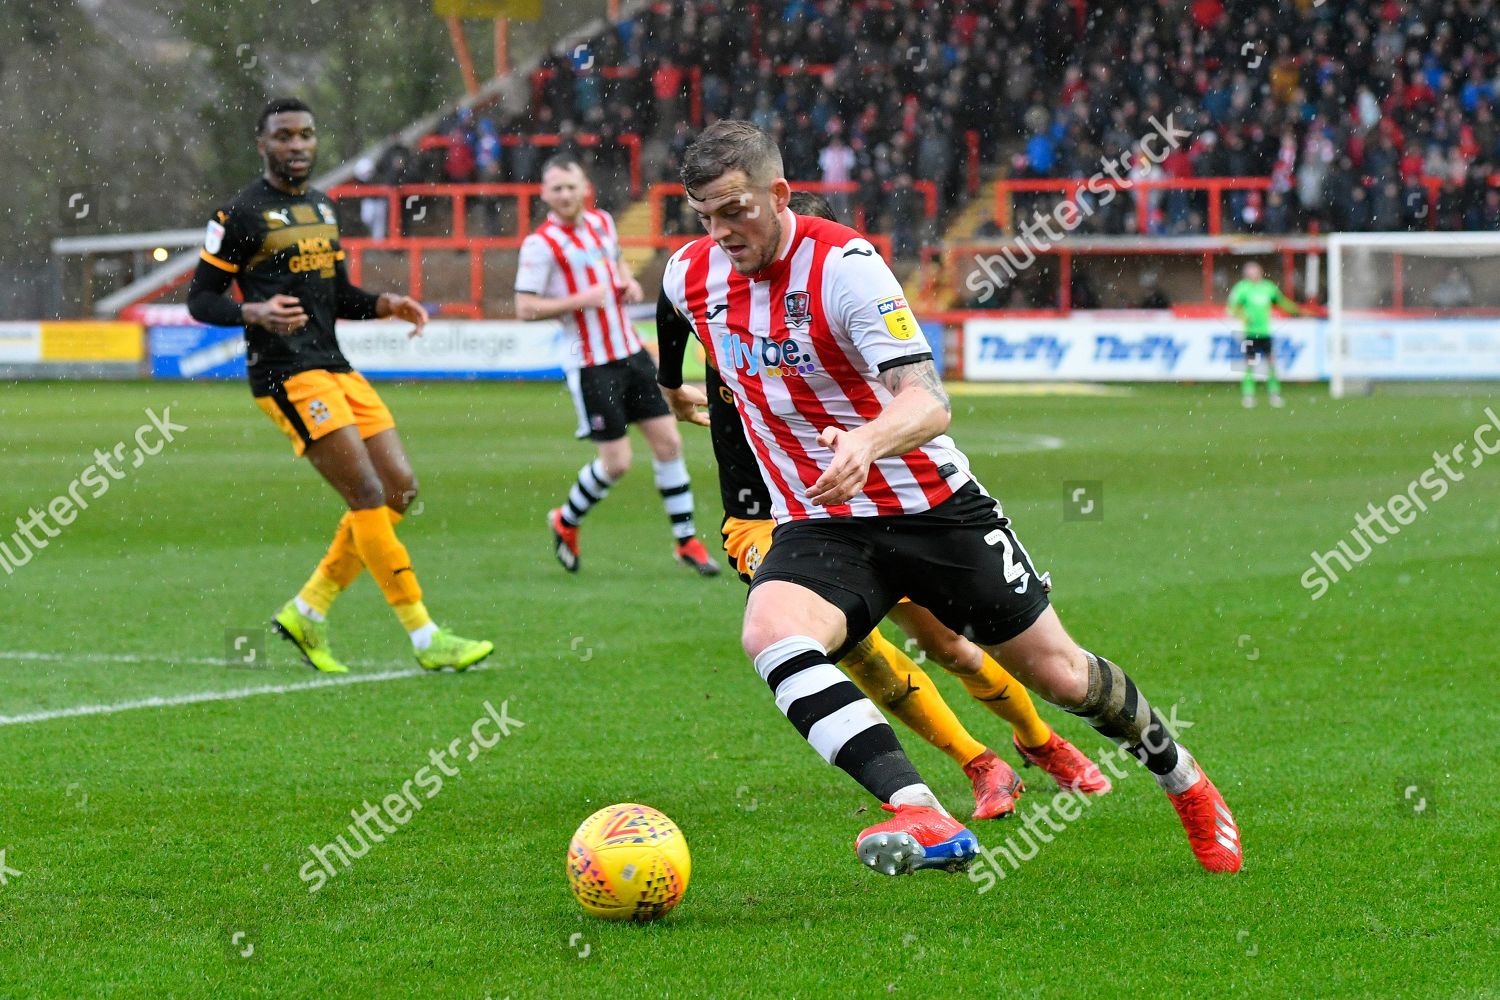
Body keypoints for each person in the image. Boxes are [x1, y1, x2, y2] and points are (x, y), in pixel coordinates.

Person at [658, 120, 1241, 877]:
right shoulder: (692, 270)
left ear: (779, 193)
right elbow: (677, 312)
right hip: (825, 521)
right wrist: (672, 381)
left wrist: (865, 442)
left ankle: (1185, 781)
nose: (721, 231)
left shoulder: (844, 268)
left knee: (1063, 677)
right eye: (705, 214)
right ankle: (918, 809)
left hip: (932, 509)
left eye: (735, 209)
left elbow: (928, 402)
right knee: (770, 633)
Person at [661, 190, 1111, 821]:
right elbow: (670, 304)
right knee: (851, 650)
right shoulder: (717, 302)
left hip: (869, 501)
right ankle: (975, 764)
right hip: (766, 519)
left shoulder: (827, 331)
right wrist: (669, 386)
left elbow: (912, 395)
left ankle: (1039, 740)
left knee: (952, 648)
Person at [186, 98, 493, 673]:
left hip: (336, 365)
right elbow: (200, 298)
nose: (297, 145)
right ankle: (425, 636)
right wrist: (253, 313)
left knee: (400, 488)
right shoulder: (240, 215)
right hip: (285, 374)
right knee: (368, 495)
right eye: (284, 136)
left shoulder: (324, 208)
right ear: (263, 144)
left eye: (306, 135)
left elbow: (339, 294)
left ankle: (308, 610)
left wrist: (385, 303)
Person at [514, 156, 720, 576]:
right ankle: (566, 520)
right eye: (557, 189)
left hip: (629, 350)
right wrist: (578, 301)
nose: (565, 195)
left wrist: (626, 281)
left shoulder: (603, 223)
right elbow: (524, 307)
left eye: (571, 186)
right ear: (545, 195)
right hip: (590, 363)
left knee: (669, 444)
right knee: (617, 463)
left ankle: (686, 542)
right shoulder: (540, 245)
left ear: (583, 186)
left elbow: (616, 264)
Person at [1227, 261, 1301, 408]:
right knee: (1250, 365)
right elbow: (1231, 308)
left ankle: (1274, 394)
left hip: (1265, 333)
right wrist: (1244, 317)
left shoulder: (1268, 288)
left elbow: (1282, 302)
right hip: (1250, 333)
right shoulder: (1242, 289)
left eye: (1255, 271)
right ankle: (1248, 395)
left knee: (1271, 363)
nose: (1253, 275)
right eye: (1250, 272)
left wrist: (1296, 311)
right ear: (1246, 274)